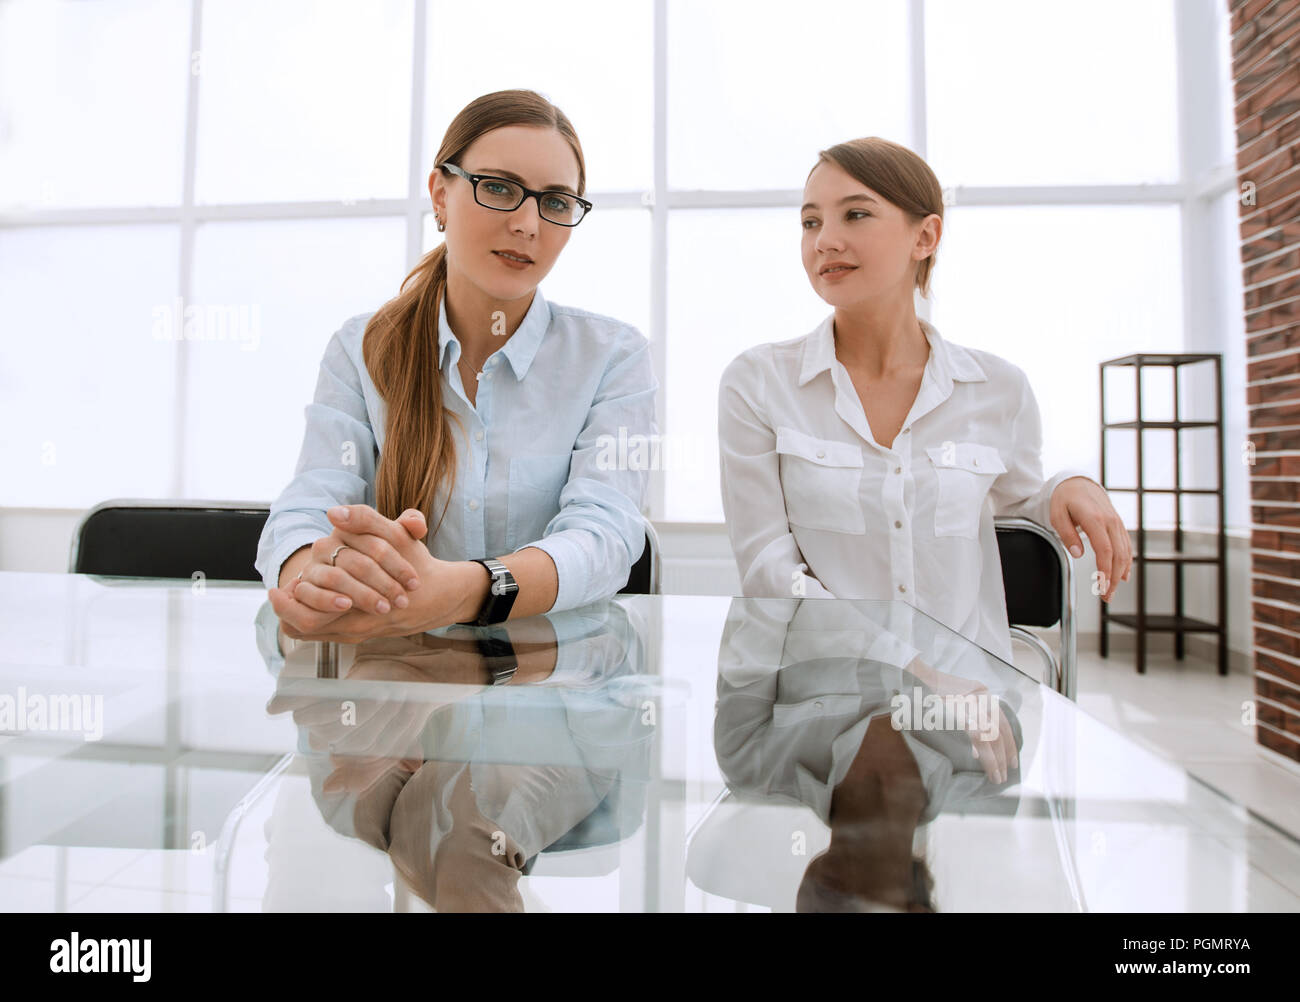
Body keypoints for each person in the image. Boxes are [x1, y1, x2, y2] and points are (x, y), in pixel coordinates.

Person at [257, 89, 657, 643]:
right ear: (440, 195)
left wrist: (466, 590)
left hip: (545, 685)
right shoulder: (361, 348)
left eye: (556, 202)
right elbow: (308, 506)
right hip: (388, 690)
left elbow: (604, 537)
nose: (527, 224)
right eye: (498, 187)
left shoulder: (612, 357)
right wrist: (312, 580)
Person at [717, 136, 1132, 664]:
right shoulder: (757, 383)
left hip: (971, 703)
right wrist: (903, 666)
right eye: (811, 222)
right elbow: (767, 570)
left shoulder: (998, 389)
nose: (825, 241)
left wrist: (1072, 485)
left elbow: (1017, 509)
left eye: (856, 214)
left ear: (926, 236)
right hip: (821, 692)